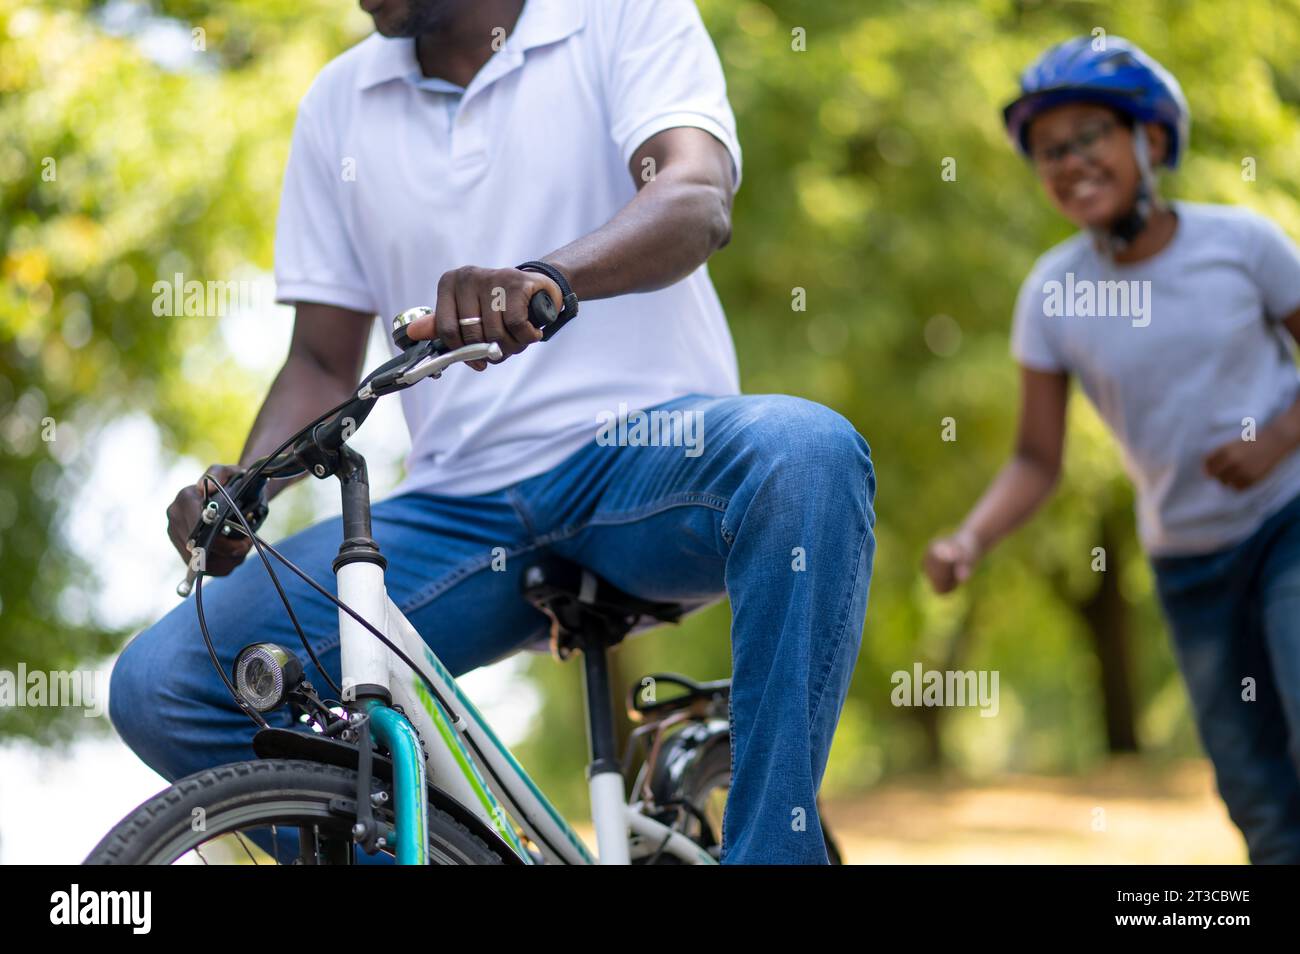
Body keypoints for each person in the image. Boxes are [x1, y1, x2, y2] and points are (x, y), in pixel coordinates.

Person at [107, 0, 876, 865]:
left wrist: (546, 277)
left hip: (649, 464)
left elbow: (695, 196)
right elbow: (321, 363)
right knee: (162, 684)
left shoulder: (623, 14)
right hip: (459, 511)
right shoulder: (339, 102)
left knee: (806, 454)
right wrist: (249, 486)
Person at [923, 35, 1300, 863]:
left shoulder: (1243, 246)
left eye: (1091, 134)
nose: (1069, 160)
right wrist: (969, 538)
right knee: (1254, 792)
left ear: (1151, 141)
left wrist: (1276, 440)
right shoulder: (1051, 296)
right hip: (1188, 564)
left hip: (1287, 524)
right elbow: (1035, 458)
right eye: (1049, 151)